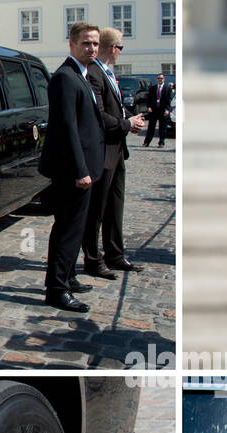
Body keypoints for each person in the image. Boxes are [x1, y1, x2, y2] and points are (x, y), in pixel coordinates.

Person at [39, 21, 107, 313]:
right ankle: (57, 289)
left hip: (86, 167)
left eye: (95, 43)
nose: (91, 48)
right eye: (86, 43)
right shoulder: (66, 77)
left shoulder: (84, 74)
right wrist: (80, 169)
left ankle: (67, 276)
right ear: (72, 44)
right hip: (72, 171)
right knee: (67, 230)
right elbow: (66, 128)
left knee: (75, 228)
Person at [81, 27, 147, 280]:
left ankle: (115, 254)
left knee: (115, 206)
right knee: (97, 209)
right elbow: (99, 114)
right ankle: (92, 259)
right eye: (121, 47)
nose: (120, 52)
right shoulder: (94, 74)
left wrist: (130, 119)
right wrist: (126, 124)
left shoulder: (108, 73)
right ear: (113, 48)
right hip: (103, 150)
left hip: (117, 149)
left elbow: (116, 109)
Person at [142, 73, 173, 148]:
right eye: (158, 78)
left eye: (161, 78)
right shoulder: (153, 88)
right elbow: (149, 98)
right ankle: (146, 142)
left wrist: (167, 109)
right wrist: (149, 107)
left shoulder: (167, 89)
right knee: (151, 127)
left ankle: (161, 143)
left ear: (164, 79)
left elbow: (169, 100)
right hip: (154, 110)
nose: (160, 80)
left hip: (163, 110)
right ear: (157, 79)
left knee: (162, 127)